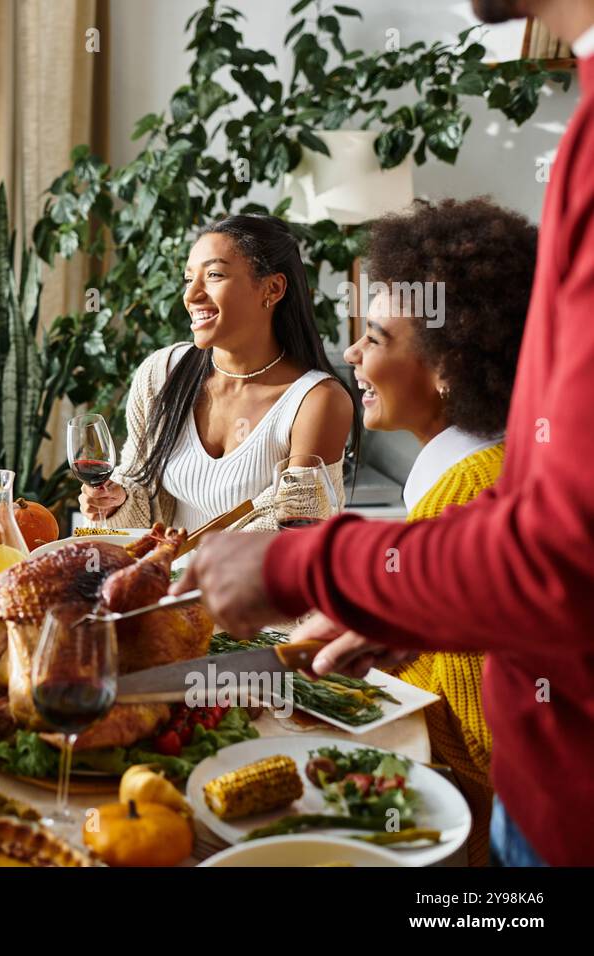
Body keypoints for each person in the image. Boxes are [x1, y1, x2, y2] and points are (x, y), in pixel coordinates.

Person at [172, 0, 594, 869]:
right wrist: (414, 609)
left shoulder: (440, 464)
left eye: (377, 337)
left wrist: (302, 566)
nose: (354, 358)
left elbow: (556, 557)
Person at [342, 197, 536, 865]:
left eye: (374, 338)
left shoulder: (466, 492)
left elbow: (486, 738)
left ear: (449, 369)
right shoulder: (501, 460)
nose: (352, 352)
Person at [79, 214, 357, 533]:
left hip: (251, 582)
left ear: (273, 288)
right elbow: (136, 484)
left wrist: (194, 563)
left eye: (213, 275)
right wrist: (117, 498)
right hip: (167, 579)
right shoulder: (161, 374)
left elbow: (295, 529)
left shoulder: (316, 401)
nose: (192, 295)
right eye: (188, 279)